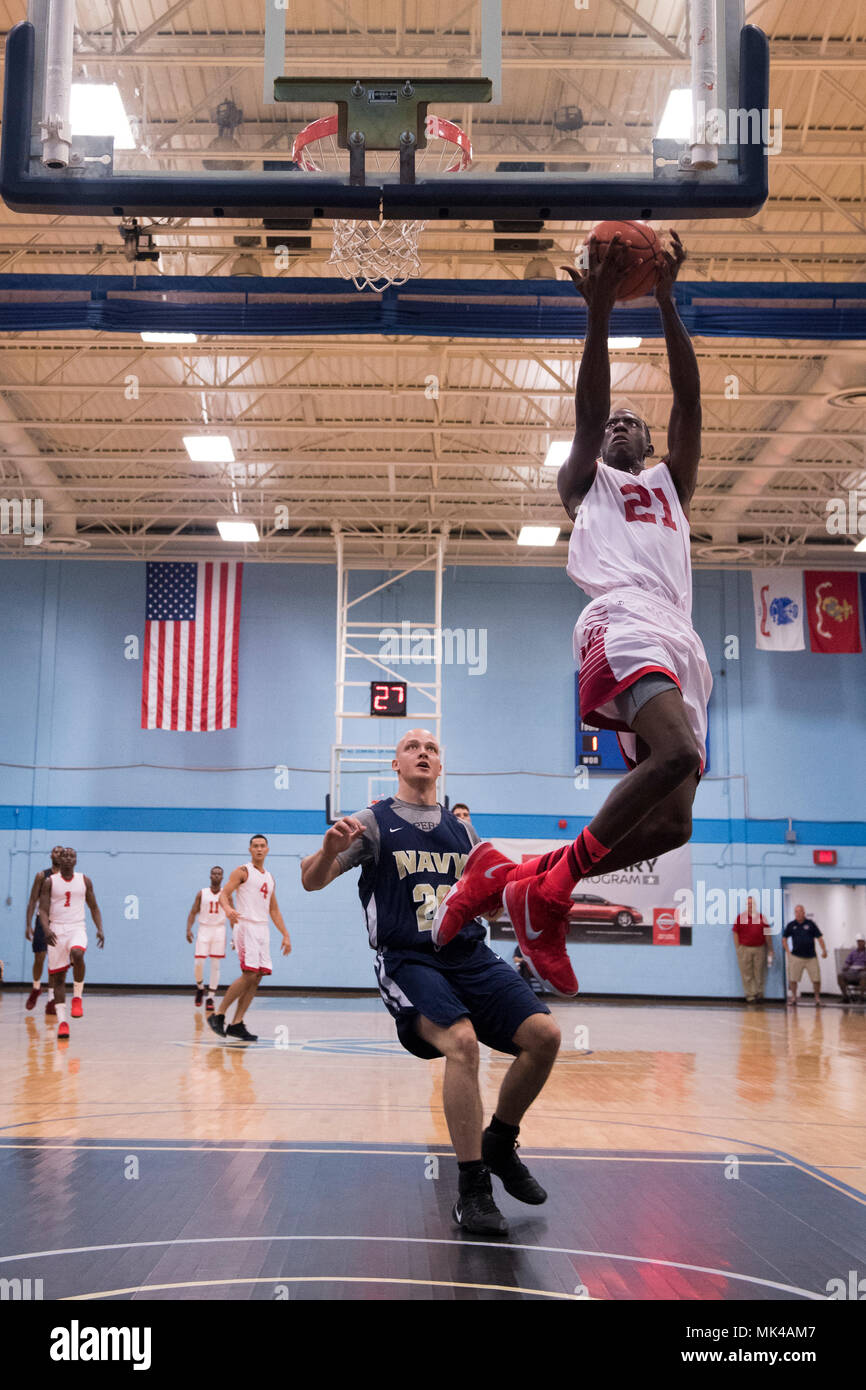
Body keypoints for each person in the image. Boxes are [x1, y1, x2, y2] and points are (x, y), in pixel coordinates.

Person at [434, 230, 711, 998]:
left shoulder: (670, 488)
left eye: (633, 422)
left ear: (651, 444)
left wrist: (665, 301)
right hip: (618, 621)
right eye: (612, 423)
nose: (620, 424)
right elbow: (589, 411)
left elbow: (689, 400)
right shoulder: (585, 483)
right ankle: (548, 897)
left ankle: (515, 877)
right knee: (680, 758)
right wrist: (597, 318)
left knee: (672, 824)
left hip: (679, 640)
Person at [301, 729, 561, 1238]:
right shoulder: (373, 823)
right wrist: (328, 847)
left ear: (440, 766)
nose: (423, 751)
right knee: (461, 1042)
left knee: (545, 1038)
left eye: (433, 747)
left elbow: (487, 894)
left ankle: (501, 1142)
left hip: (469, 953)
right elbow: (312, 880)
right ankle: (472, 1190)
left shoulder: (462, 831)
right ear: (396, 763)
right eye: (412, 746)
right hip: (410, 960)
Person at [207, 835, 290, 1042]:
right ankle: (218, 1015)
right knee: (249, 973)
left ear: (268, 849)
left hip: (263, 929)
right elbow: (223, 894)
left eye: (262, 846)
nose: (259, 849)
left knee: (257, 976)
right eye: (255, 846)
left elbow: (274, 909)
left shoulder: (270, 878)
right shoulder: (243, 871)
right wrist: (228, 910)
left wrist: (285, 934)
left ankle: (236, 1023)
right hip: (246, 927)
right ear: (250, 849)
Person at [38, 847, 104, 1042]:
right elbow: (42, 910)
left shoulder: (84, 880)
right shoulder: (50, 882)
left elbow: (94, 907)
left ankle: (77, 997)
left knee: (78, 954)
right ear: (59, 859)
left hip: (77, 927)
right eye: (64, 855)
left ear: (76, 860)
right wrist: (46, 929)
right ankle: (62, 1023)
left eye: (71, 856)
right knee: (57, 979)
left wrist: (99, 928)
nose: (67, 858)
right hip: (56, 929)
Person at [24, 846, 63, 1013]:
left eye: (61, 851)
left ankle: (51, 999)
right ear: (51, 855)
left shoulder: (68, 878)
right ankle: (36, 987)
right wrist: (28, 924)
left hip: (59, 922)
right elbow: (33, 900)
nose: (58, 853)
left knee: (55, 962)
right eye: (55, 850)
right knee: (39, 957)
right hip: (42, 920)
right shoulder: (42, 875)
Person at [186, 866, 227, 1012]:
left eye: (219, 874)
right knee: (199, 962)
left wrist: (236, 936)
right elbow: (192, 912)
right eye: (214, 873)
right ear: (210, 876)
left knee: (215, 964)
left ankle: (210, 997)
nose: (216, 876)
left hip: (219, 930)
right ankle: (200, 987)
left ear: (222, 877)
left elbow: (233, 915)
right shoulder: (202, 893)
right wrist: (188, 929)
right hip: (204, 929)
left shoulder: (226, 894)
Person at [782, 904, 827, 1006]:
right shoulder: (791, 925)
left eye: (800, 911)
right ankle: (793, 998)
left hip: (811, 957)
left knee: (816, 979)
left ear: (804, 913)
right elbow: (784, 939)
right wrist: (788, 952)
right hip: (796, 956)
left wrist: (824, 950)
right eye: (796, 912)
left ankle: (817, 999)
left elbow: (819, 938)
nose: (798, 914)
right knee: (793, 979)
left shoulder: (811, 924)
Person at [732, 896, 774, 1003]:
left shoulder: (762, 918)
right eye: (748, 904)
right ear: (746, 905)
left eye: (752, 903)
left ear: (755, 905)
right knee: (747, 974)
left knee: (759, 972)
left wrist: (771, 948)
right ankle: (750, 996)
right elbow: (735, 933)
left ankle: (759, 994)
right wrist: (738, 948)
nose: (750, 905)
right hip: (745, 949)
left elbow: (768, 933)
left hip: (760, 948)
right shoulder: (740, 917)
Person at [837, 934, 866, 1002]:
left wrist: (864, 968)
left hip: (862, 972)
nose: (859, 943)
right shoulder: (853, 953)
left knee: (864, 975)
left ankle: (862, 997)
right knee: (840, 976)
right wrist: (846, 967)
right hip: (852, 971)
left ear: (864, 942)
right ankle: (845, 997)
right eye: (858, 942)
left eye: (861, 941)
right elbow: (847, 962)